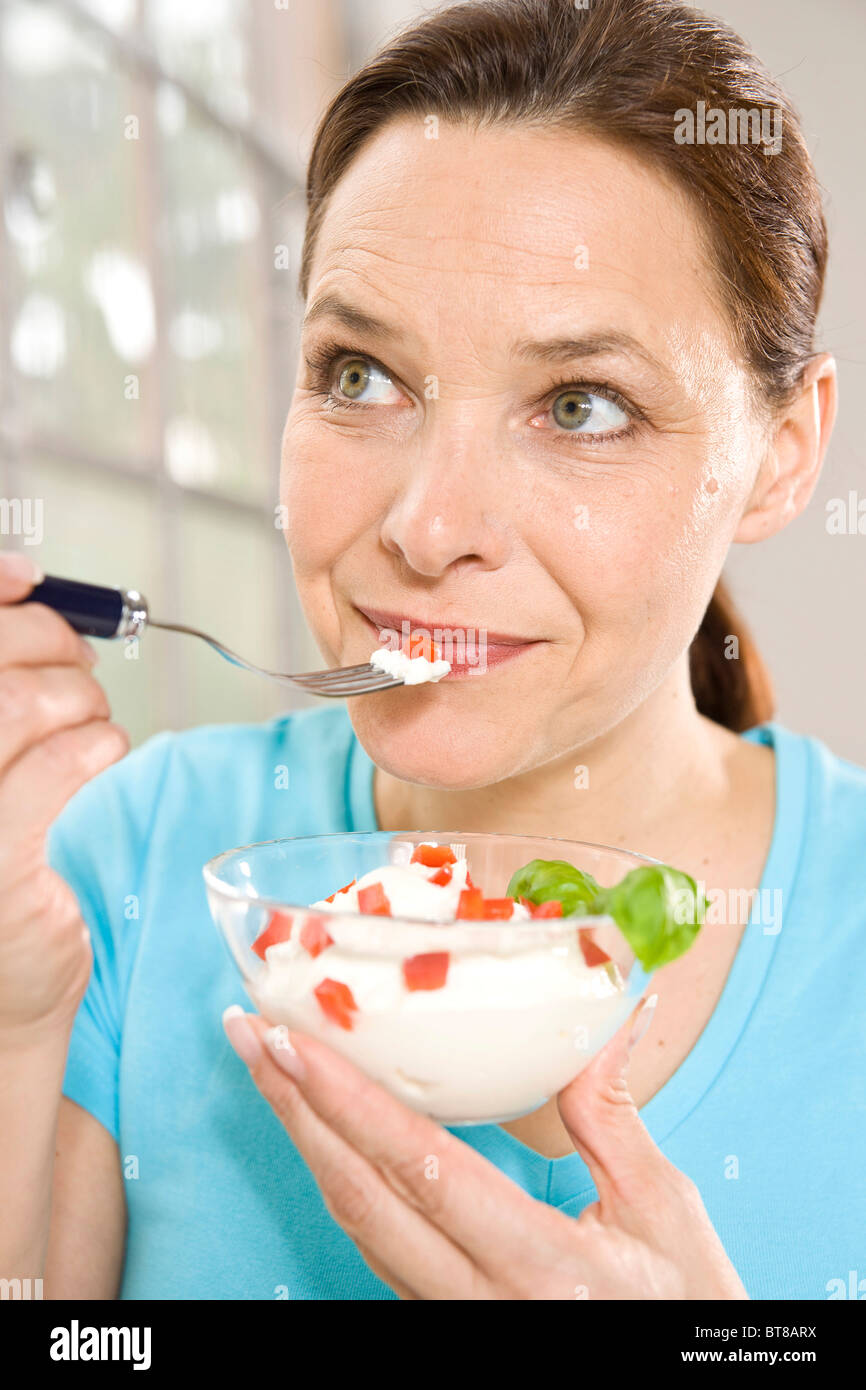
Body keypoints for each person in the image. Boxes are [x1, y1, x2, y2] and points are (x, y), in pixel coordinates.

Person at [2, 0, 863, 1301]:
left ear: (782, 452)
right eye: (359, 375)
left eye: (581, 405)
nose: (424, 526)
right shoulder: (114, 862)